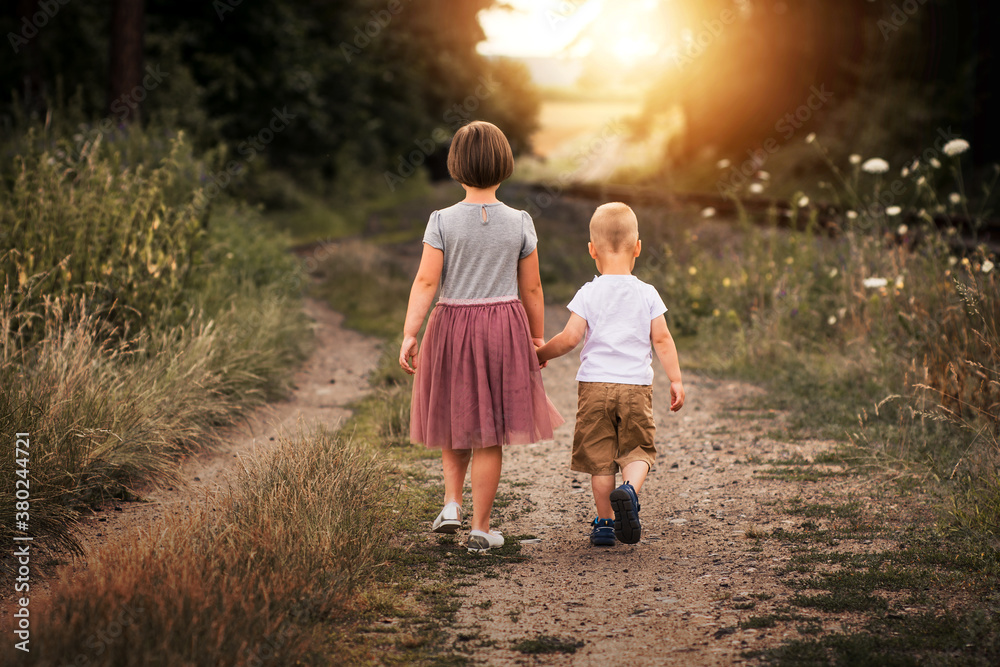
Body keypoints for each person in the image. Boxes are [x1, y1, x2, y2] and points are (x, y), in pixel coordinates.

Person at [399, 120, 563, 554]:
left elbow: (425, 282)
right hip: (504, 330)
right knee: (490, 433)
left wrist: (410, 332)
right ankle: (480, 528)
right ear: (504, 165)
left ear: (455, 166)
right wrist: (537, 337)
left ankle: (451, 505)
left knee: (455, 419)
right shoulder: (520, 221)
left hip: (451, 326)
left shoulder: (441, 221)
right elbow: (532, 288)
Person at [536, 202, 685, 546]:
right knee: (638, 451)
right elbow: (662, 339)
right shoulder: (647, 293)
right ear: (638, 248)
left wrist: (539, 356)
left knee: (600, 460)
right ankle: (630, 491)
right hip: (635, 387)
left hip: (594, 388)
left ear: (592, 250)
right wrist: (675, 379)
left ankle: (604, 523)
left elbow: (570, 339)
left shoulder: (589, 292)